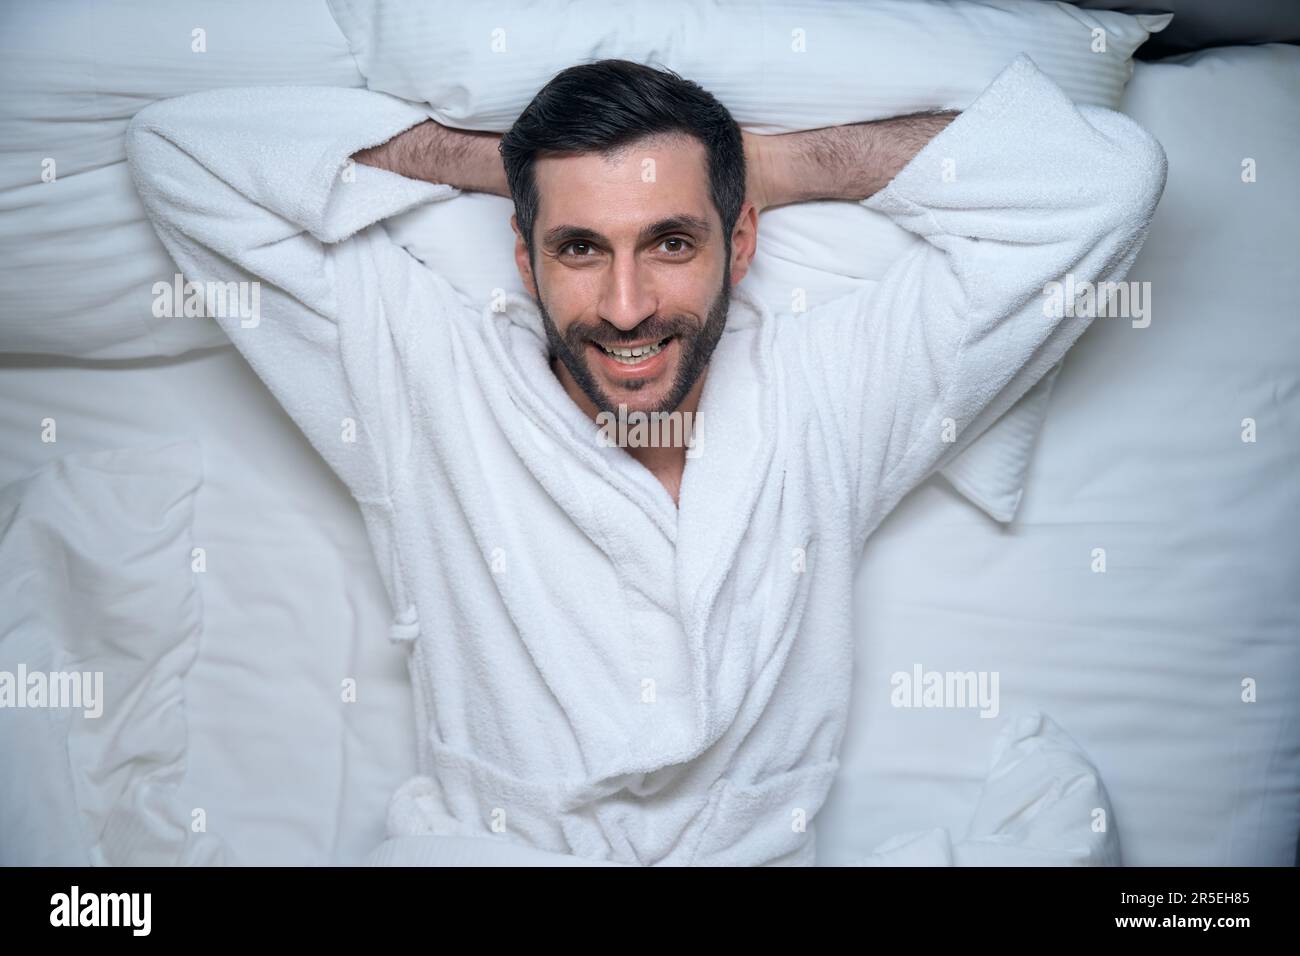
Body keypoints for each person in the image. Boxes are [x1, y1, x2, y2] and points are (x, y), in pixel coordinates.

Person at [125, 54, 1166, 866]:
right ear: (523, 255)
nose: (626, 309)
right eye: (580, 247)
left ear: (740, 244)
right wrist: (508, 167)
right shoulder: (429, 378)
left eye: (672, 241)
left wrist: (778, 166)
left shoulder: (830, 396)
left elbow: (1102, 183)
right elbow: (180, 153)